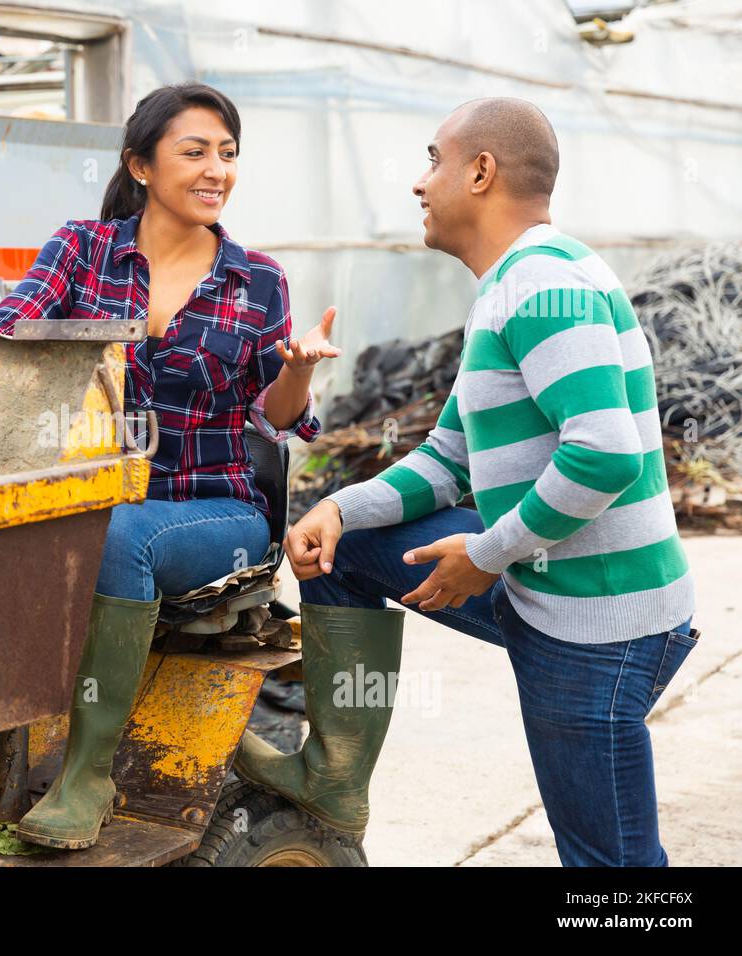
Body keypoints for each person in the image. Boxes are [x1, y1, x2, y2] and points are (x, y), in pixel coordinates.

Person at [235, 97, 697, 867]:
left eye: (433, 160)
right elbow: (449, 459)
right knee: (341, 549)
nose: (420, 184)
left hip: (603, 624)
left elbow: (606, 454)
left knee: (613, 871)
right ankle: (336, 778)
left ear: (481, 172)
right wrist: (340, 509)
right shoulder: (510, 287)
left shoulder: (545, 287)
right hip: (541, 583)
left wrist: (488, 553)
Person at [0, 82, 340, 851]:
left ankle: (87, 775)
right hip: (89, 495)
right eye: (195, 151)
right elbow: (7, 340)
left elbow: (274, 418)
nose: (217, 170)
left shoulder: (256, 279)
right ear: (140, 164)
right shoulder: (82, 249)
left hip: (213, 509)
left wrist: (298, 369)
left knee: (119, 535)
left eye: (228, 154)